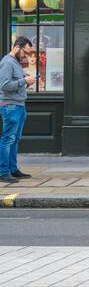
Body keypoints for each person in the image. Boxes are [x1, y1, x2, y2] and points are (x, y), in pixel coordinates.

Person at [0, 36, 35, 185]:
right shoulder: (7, 62)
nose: (26, 56)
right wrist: (24, 81)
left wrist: (24, 78)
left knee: (15, 140)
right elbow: (5, 85)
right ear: (17, 47)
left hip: (19, 105)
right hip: (10, 106)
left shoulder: (15, 63)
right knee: (8, 139)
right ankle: (3, 172)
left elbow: (15, 83)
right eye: (25, 52)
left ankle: (13, 170)